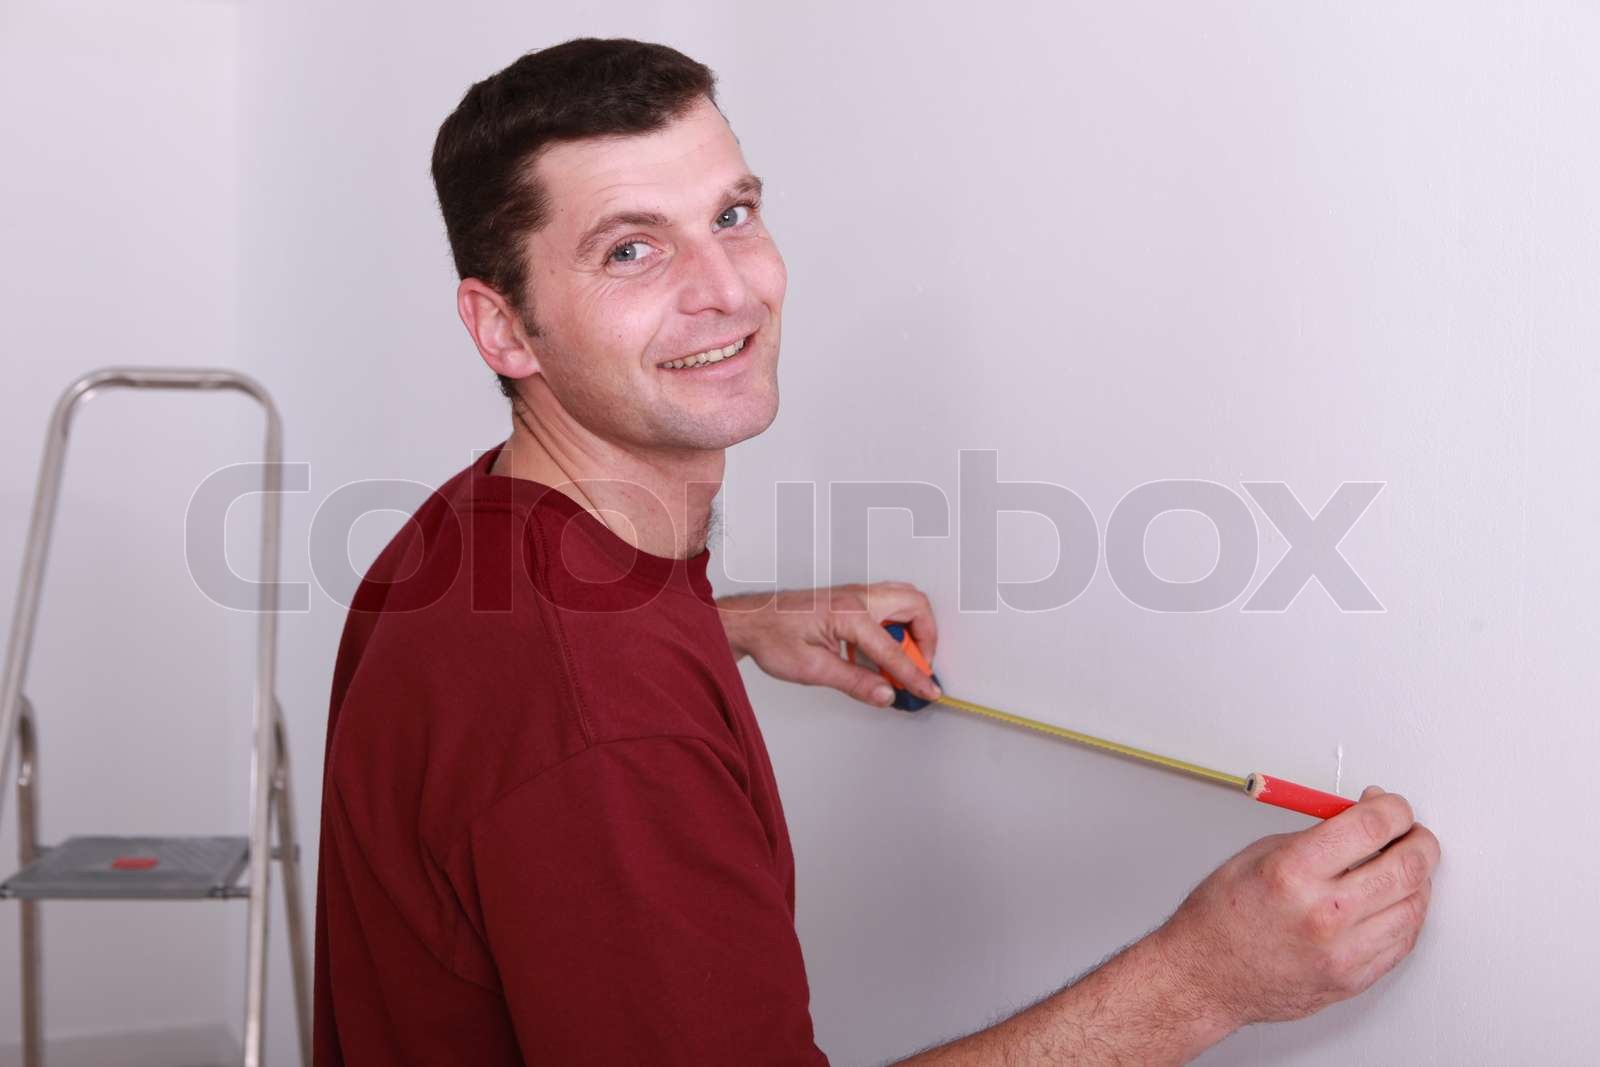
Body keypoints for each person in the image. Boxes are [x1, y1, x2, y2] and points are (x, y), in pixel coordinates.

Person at [312, 37, 1441, 1066]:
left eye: (734, 214)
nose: (727, 289)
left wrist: (731, 624)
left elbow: (539, 689)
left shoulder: (461, 540)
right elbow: (584, 720)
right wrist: (1205, 977)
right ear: (502, 324)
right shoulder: (606, 728)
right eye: (630, 250)